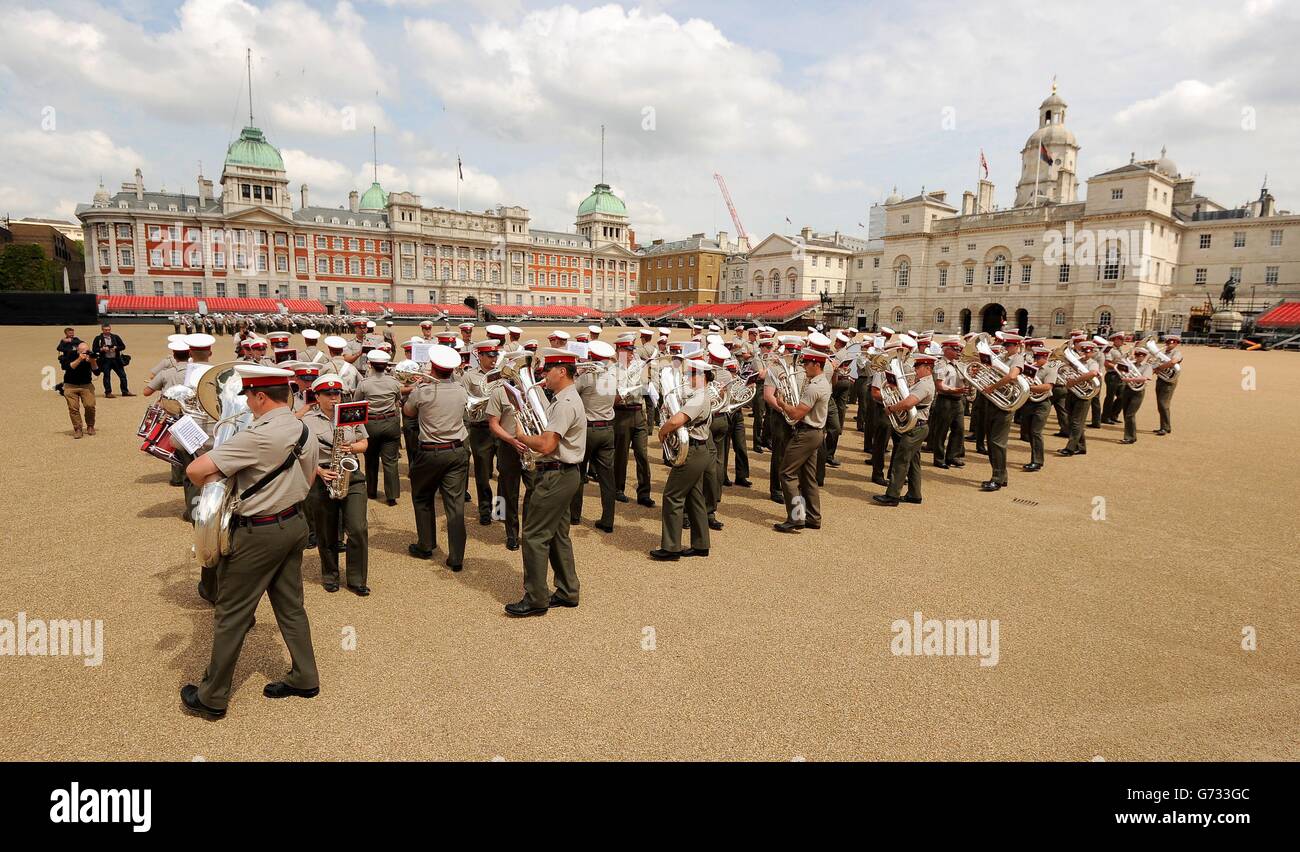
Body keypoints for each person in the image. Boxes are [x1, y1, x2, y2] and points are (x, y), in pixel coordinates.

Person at [180, 363, 320, 720]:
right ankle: (305, 676)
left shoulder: (257, 436)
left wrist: (222, 469)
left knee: (232, 612)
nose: (246, 403)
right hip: (294, 524)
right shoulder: (302, 428)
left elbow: (195, 472)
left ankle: (212, 696)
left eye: (248, 397)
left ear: (259, 397)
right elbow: (304, 478)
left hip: (260, 531)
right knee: (290, 606)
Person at [506, 348, 586, 616]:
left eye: (548, 371)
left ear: (562, 371)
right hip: (565, 473)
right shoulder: (565, 398)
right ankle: (567, 590)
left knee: (534, 535)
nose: (544, 376)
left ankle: (536, 598)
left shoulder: (564, 403)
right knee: (558, 534)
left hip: (556, 474)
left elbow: (547, 443)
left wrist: (522, 436)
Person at [404, 345, 470, 571]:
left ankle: (426, 544)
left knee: (422, 497)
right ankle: (457, 557)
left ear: (432, 367)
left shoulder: (422, 391)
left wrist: (418, 386)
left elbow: (409, 413)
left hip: (430, 451)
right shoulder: (461, 390)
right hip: (456, 450)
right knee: (455, 505)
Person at [303, 374, 371, 594]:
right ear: (317, 396)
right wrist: (319, 471)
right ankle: (330, 574)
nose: (334, 398)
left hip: (352, 475)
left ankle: (357, 578)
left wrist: (352, 448)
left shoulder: (351, 413)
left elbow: (364, 442)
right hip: (324, 476)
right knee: (326, 531)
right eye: (328, 394)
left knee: (358, 528)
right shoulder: (307, 421)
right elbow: (299, 454)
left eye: (337, 393)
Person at [649, 357, 715, 560]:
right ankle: (701, 544)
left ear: (702, 376)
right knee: (695, 497)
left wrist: (662, 430)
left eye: (691, 374)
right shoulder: (700, 395)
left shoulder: (698, 398)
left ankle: (671, 547)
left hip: (693, 451)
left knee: (672, 496)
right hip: (699, 450)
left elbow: (678, 420)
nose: (688, 377)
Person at [771, 334, 832, 532]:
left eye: (806, 363)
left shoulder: (815, 386)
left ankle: (796, 517)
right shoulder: (822, 382)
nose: (804, 366)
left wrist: (782, 404)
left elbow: (797, 413)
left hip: (807, 433)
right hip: (815, 433)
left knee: (787, 473)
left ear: (816, 364)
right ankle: (813, 517)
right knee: (808, 477)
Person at [872, 351, 935, 506]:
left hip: (916, 427)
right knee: (913, 462)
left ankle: (892, 496)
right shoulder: (921, 382)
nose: (915, 369)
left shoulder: (925, 384)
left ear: (927, 367)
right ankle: (914, 494)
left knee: (901, 460)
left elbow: (908, 403)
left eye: (918, 366)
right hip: (917, 426)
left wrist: (892, 408)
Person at [570, 339, 617, 533]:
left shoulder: (587, 377)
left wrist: (578, 374)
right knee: (607, 478)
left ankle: (574, 515)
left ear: (591, 357)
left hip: (588, 429)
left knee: (579, 473)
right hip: (607, 429)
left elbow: (570, 394)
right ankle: (608, 520)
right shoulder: (613, 377)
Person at [485, 357, 531, 552]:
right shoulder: (499, 392)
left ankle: (528, 530)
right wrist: (511, 440)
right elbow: (493, 423)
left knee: (534, 488)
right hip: (508, 445)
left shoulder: (533, 391)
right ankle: (510, 532)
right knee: (507, 489)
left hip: (530, 446)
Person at [353, 350, 403, 505]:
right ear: (386, 365)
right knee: (390, 461)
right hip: (390, 422)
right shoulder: (393, 382)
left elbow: (357, 402)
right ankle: (392, 495)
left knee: (371, 458)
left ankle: (372, 491)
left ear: (371, 365)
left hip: (371, 424)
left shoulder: (364, 384)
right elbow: (398, 398)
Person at [978, 332, 1025, 492]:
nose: (1006, 348)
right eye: (1005, 345)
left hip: (1004, 402)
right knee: (991, 441)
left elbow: (1012, 376)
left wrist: (992, 387)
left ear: (1017, 346)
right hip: (994, 402)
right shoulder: (1003, 358)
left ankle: (997, 478)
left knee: (997, 442)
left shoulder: (1018, 358)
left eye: (1009, 346)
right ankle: (1001, 476)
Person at [611, 334, 654, 507]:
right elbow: (607, 397)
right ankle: (618, 488)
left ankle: (644, 493)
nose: (630, 354)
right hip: (621, 413)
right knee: (621, 455)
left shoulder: (640, 367)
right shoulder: (612, 369)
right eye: (626, 350)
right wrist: (619, 395)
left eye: (631, 350)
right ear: (618, 350)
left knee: (642, 455)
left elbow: (647, 387)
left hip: (638, 413)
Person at [462, 340, 499, 525]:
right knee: (483, 474)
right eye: (490, 356)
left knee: (506, 474)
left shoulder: (502, 374)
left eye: (496, 356)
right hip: (481, 428)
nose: (494, 360)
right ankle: (485, 510)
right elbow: (464, 401)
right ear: (481, 356)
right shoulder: (469, 377)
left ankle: (500, 511)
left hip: (501, 428)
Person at [1059, 340, 1101, 457]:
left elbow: (1092, 373)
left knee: (1077, 422)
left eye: (1088, 352)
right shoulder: (1076, 362)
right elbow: (1065, 372)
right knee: (1073, 421)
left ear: (1092, 353)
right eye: (1083, 351)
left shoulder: (1093, 363)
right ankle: (1081, 447)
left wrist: (1075, 381)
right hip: (1073, 393)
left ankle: (1070, 448)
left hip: (1084, 395)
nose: (1086, 354)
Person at [1018, 346, 1057, 471]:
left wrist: (1028, 388)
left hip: (1042, 403)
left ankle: (1037, 461)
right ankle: (1035, 456)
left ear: (1045, 357)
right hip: (1029, 401)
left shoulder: (1050, 369)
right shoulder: (1030, 368)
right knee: (1028, 431)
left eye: (1038, 357)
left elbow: (1047, 387)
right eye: (1035, 357)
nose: (1035, 360)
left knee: (1036, 432)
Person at [930, 337, 966, 468]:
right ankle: (939, 458)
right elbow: (940, 386)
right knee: (942, 430)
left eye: (959, 350)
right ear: (947, 350)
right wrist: (957, 389)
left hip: (958, 400)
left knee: (959, 430)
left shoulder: (959, 364)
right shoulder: (940, 365)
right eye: (955, 349)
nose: (959, 352)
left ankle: (953, 456)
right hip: (945, 400)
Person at [60, 342, 99, 438]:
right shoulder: (70, 355)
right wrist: (80, 359)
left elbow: (97, 372)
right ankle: (78, 428)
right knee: (73, 407)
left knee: (90, 405)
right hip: (70, 385)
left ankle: (90, 426)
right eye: (83, 352)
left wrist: (92, 361)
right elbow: (68, 368)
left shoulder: (91, 356)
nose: (86, 353)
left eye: (87, 351)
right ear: (78, 351)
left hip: (86, 385)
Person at [1118, 348, 1154, 444]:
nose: (1138, 358)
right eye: (1136, 355)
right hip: (1127, 390)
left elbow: (1144, 378)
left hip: (1138, 391)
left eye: (1140, 356)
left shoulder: (1147, 366)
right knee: (1126, 414)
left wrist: (1129, 380)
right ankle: (1131, 436)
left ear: (1144, 356)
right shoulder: (1131, 365)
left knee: (1130, 414)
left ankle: (1129, 437)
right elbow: (1122, 371)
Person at [1154, 332, 1183, 435]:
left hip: (1169, 381)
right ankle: (1164, 426)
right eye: (1168, 342)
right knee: (1160, 404)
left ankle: (1165, 427)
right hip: (1161, 379)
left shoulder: (1176, 352)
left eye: (1172, 342)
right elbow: (1155, 363)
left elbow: (1173, 362)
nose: (1169, 344)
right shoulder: (1162, 353)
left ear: (1176, 343)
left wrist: (1159, 368)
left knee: (1163, 404)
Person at [92, 323, 132, 397]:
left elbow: (123, 346)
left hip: (116, 360)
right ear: (102, 329)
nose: (107, 331)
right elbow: (94, 349)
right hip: (105, 360)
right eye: (106, 330)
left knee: (123, 376)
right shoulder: (98, 338)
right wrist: (102, 349)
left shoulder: (115, 337)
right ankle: (108, 392)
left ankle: (125, 391)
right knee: (107, 376)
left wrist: (116, 348)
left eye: (109, 330)